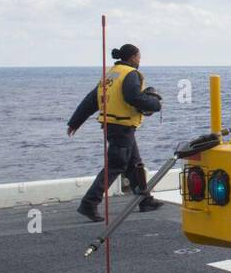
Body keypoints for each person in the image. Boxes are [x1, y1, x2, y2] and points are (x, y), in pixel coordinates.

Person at [68, 43, 164, 221]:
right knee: (115, 165)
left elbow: (92, 99)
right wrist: (154, 104)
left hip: (112, 125)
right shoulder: (130, 74)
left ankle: (145, 200)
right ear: (133, 57)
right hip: (122, 126)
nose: (139, 60)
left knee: (135, 164)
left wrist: (75, 122)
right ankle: (89, 203)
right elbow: (133, 97)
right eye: (139, 57)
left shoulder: (111, 74)